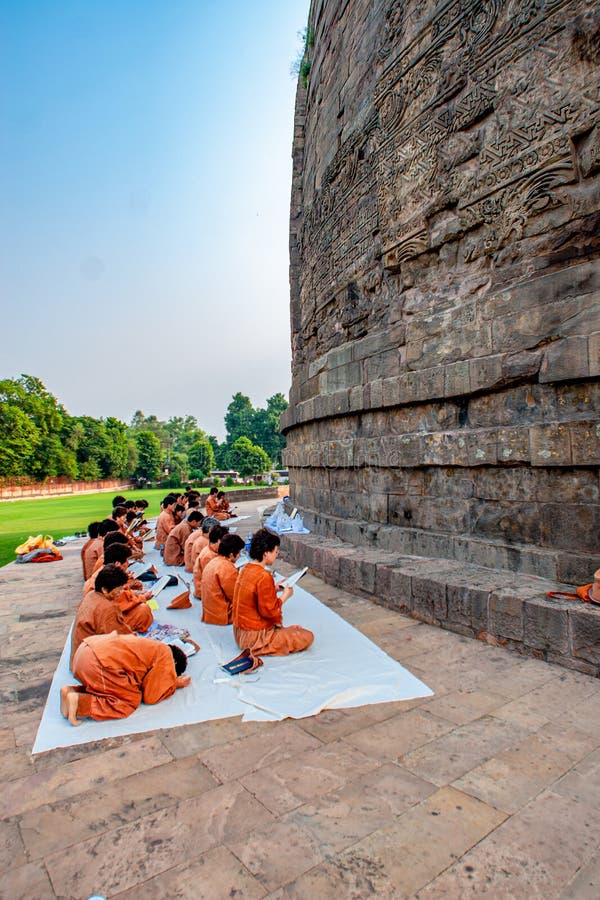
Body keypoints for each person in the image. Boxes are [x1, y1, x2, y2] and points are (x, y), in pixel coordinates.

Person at [61, 632, 190, 724]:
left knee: (110, 689)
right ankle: (79, 703)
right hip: (97, 663)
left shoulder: (152, 646)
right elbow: (151, 697)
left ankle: (72, 692)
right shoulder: (165, 656)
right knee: (128, 701)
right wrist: (173, 683)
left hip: (85, 650)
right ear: (174, 664)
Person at [232, 528, 313, 656]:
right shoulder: (263, 576)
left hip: (240, 633)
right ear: (266, 554)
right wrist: (285, 595)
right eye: (275, 551)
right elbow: (270, 611)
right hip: (254, 638)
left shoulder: (246, 568)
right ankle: (276, 637)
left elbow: (254, 595)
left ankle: (282, 633)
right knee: (307, 636)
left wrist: (274, 588)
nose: (277, 554)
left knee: (292, 632)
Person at [70, 565, 135, 668]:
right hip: (90, 664)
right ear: (104, 589)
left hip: (79, 657)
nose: (120, 593)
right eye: (118, 590)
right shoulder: (106, 609)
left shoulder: (91, 595)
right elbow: (120, 638)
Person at [200, 533, 244, 624]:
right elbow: (236, 596)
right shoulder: (227, 567)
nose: (239, 555)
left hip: (210, 611)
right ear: (231, 554)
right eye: (239, 552)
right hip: (222, 614)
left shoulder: (214, 561)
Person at [193, 525, 228, 597]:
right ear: (219, 541)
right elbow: (212, 580)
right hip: (205, 591)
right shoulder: (208, 556)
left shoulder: (211, 549)